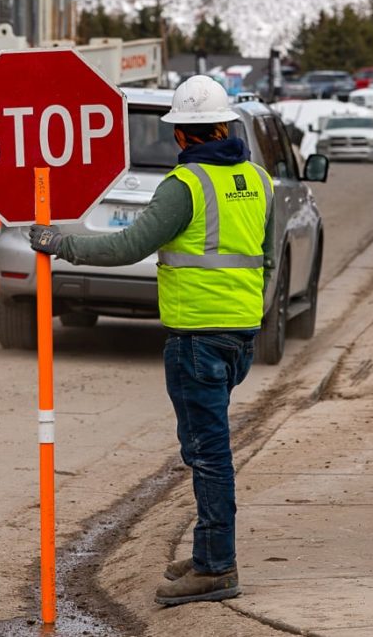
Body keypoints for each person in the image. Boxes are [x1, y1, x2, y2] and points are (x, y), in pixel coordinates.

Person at [28, 75, 274, 606]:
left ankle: (217, 567)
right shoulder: (258, 180)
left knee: (208, 455)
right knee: (207, 449)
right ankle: (212, 549)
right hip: (240, 336)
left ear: (183, 135)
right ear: (226, 125)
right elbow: (266, 256)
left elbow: (129, 246)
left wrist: (59, 244)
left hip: (196, 339)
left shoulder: (184, 186)